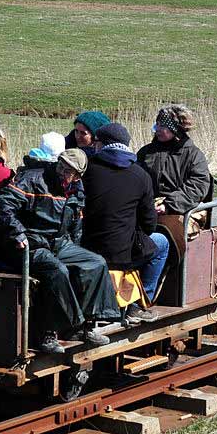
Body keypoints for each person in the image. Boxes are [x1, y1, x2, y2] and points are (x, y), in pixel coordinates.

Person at [0, 148, 121, 353]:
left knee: (96, 263)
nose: (62, 172)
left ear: (78, 175)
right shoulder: (33, 179)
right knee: (56, 270)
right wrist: (17, 232)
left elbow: (76, 222)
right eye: (61, 165)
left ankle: (88, 325)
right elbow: (1, 204)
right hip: (30, 243)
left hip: (59, 243)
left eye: (69, 170)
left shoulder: (77, 188)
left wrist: (76, 247)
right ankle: (50, 333)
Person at [80, 123, 169, 320]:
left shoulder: (87, 172)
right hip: (123, 254)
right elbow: (148, 226)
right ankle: (139, 302)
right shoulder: (141, 175)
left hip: (88, 249)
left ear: (102, 145)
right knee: (162, 243)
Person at [137, 104, 211, 218]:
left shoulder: (194, 155)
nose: (157, 129)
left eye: (163, 126)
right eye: (157, 124)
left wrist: (168, 205)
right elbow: (134, 178)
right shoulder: (146, 152)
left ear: (175, 130)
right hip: (147, 209)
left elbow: (198, 186)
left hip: (179, 212)